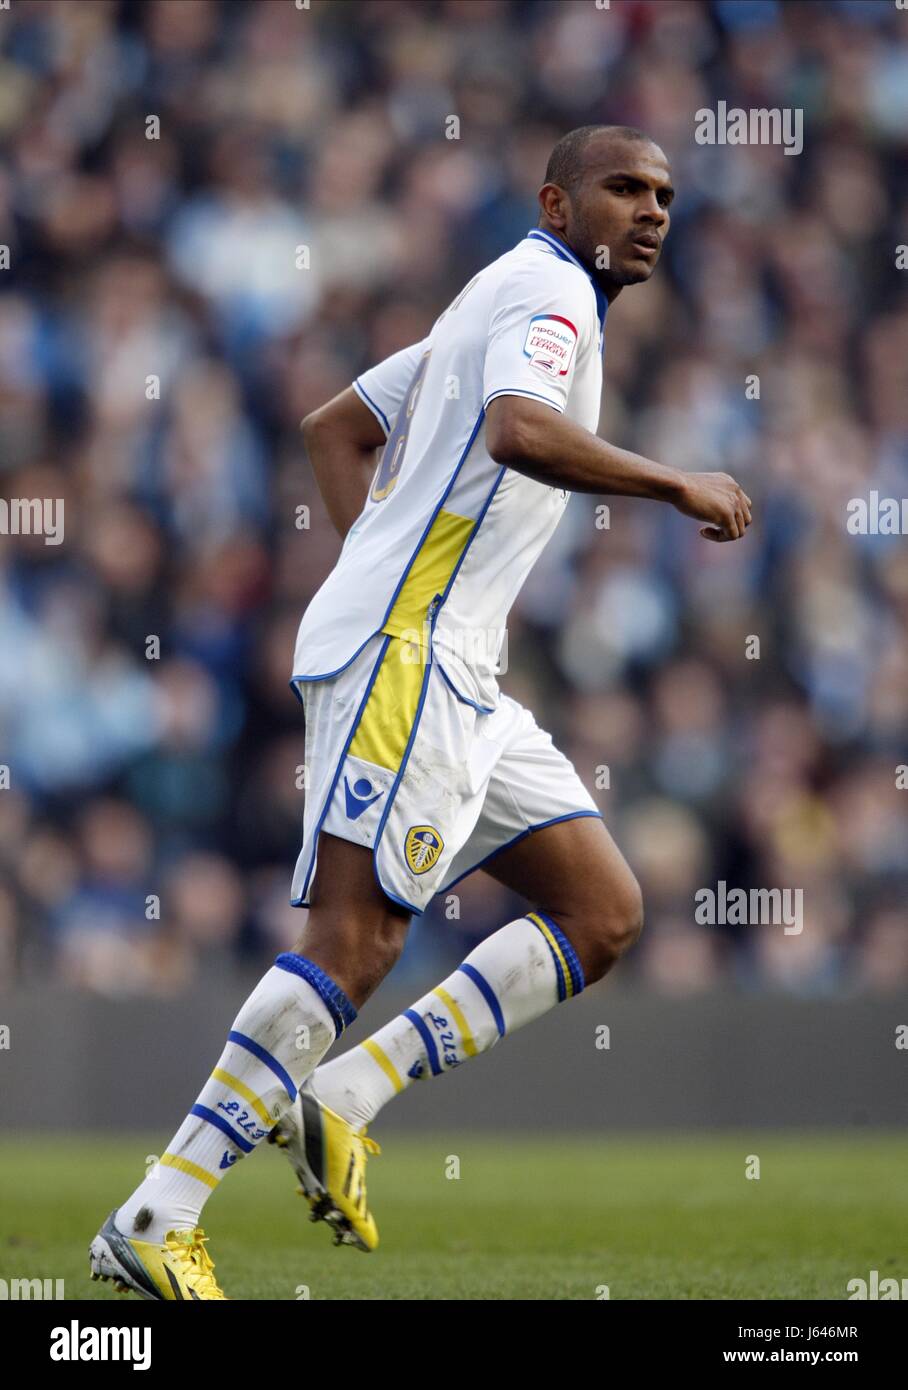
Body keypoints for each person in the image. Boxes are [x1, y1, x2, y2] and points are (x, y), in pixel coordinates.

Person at [89, 124, 751, 1299]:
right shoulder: (544, 294)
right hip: (410, 654)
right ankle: (158, 1209)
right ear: (557, 201)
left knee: (600, 910)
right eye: (622, 189)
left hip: (449, 661)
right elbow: (518, 431)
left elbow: (332, 426)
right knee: (355, 938)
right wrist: (674, 482)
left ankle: (346, 1092)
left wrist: (379, 565)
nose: (650, 210)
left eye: (662, 194)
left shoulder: (487, 298)